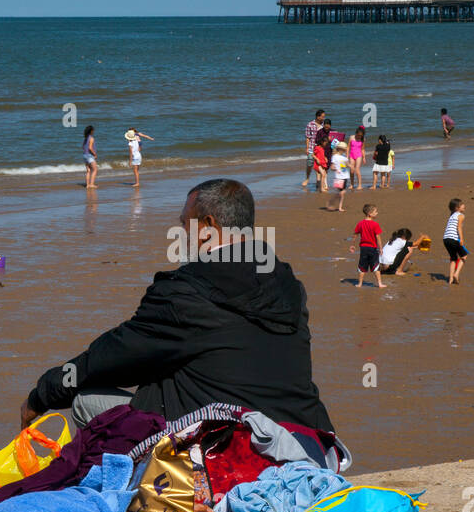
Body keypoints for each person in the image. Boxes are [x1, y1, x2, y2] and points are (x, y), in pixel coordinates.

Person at [20, 179, 334, 431]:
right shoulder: (287, 283)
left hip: (232, 451)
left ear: (208, 225)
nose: (182, 234)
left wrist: (43, 393)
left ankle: (129, 497)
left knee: (85, 400)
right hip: (304, 439)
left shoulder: (186, 293)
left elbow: (111, 357)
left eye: (185, 224)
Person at [352, 203, 385, 288]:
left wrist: (352, 245)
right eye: (375, 212)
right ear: (370, 214)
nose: (377, 213)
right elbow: (378, 237)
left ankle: (359, 284)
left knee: (362, 266)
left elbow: (355, 234)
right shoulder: (375, 224)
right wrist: (380, 248)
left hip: (363, 248)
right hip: (372, 248)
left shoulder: (360, 223)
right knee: (376, 266)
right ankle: (380, 283)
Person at [443, 198, 468, 285]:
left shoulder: (451, 216)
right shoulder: (461, 215)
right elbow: (459, 228)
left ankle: (450, 279)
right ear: (457, 208)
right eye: (462, 204)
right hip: (453, 238)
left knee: (453, 258)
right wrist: (461, 239)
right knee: (464, 256)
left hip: (446, 239)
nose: (464, 206)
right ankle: (456, 274)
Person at [302, 109, 324, 188]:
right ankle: (307, 178)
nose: (323, 118)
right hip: (312, 147)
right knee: (309, 164)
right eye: (322, 117)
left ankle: (318, 181)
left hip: (320, 148)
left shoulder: (324, 125)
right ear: (318, 117)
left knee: (319, 164)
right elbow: (308, 138)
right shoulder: (310, 124)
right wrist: (307, 148)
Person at [327, 142, 350, 212]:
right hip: (338, 177)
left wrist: (351, 166)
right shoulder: (335, 156)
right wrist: (335, 169)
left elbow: (347, 165)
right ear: (340, 149)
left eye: (345, 150)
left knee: (342, 194)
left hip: (345, 176)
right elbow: (332, 167)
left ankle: (340, 207)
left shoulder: (344, 157)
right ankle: (332, 201)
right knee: (342, 192)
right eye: (344, 149)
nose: (345, 151)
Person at [82, 125, 97, 189]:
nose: (93, 131)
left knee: (88, 171)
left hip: (85, 155)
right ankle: (92, 184)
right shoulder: (91, 138)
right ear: (91, 131)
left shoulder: (86, 138)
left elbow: (82, 147)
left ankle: (87, 185)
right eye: (93, 130)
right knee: (95, 170)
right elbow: (90, 148)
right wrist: (95, 154)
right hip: (90, 156)